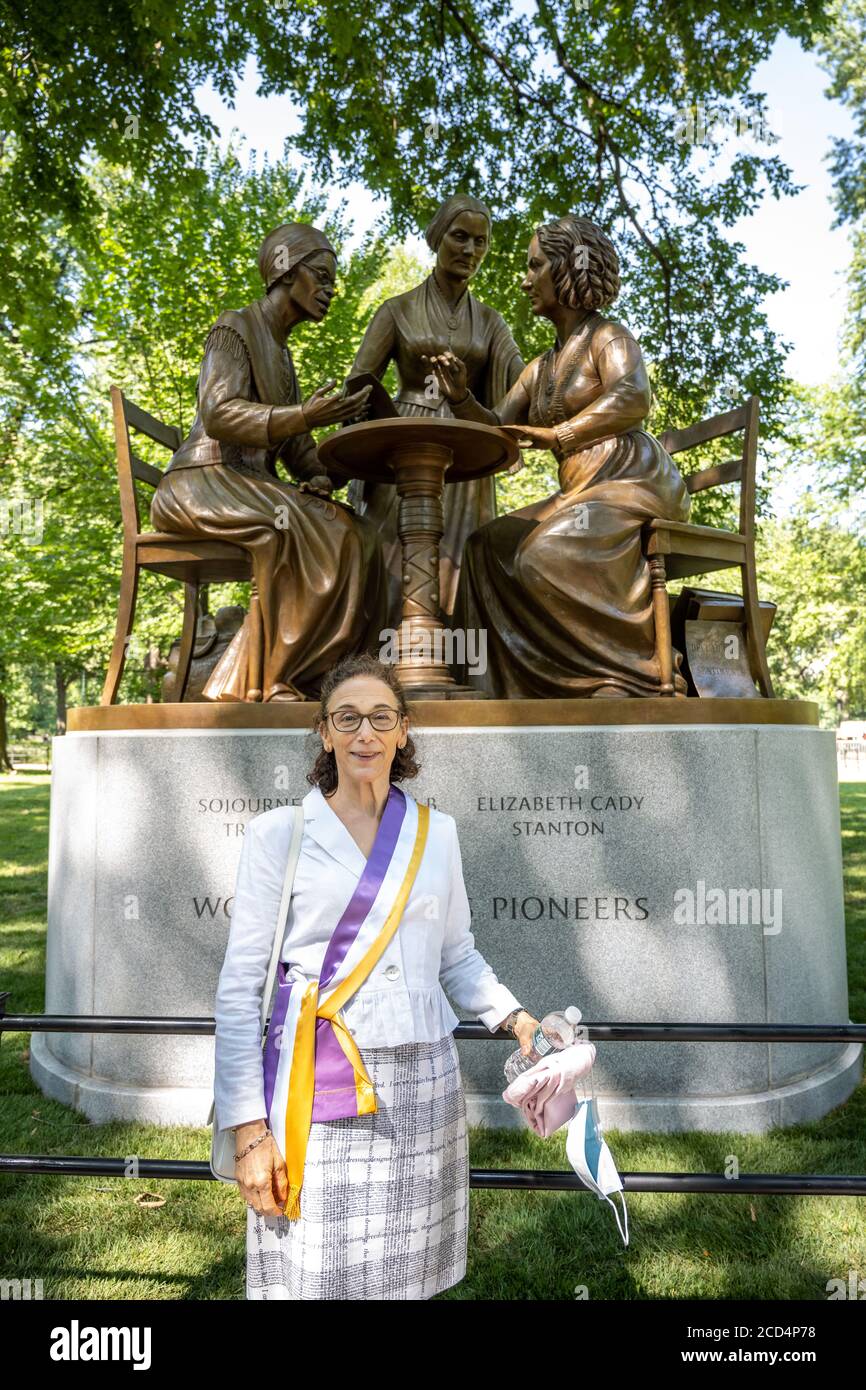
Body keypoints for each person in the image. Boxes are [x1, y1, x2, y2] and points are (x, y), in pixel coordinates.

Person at [213, 651, 540, 1300]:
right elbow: (238, 989)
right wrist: (249, 1132)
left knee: (408, 1275)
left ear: (404, 730)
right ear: (325, 732)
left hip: (425, 1079)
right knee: (319, 1271)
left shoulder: (435, 833)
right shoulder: (279, 834)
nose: (365, 733)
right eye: (348, 718)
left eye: (380, 717)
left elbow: (456, 955)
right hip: (321, 1076)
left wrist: (515, 1017)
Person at [426, 214, 692, 698]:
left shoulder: (609, 336)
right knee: (486, 548)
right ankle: (492, 690)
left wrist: (560, 435)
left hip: (631, 480)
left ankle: (630, 673)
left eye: (535, 266)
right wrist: (463, 397)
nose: (525, 280)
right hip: (581, 490)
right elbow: (498, 427)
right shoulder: (540, 366)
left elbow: (634, 397)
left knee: (542, 554)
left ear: (569, 268)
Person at [149, 222, 386, 702]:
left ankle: (323, 674)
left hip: (245, 484)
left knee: (359, 533)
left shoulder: (283, 357)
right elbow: (219, 414)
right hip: (201, 481)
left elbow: (296, 450)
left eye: (332, 281)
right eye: (320, 276)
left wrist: (326, 464)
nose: (330, 290)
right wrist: (304, 414)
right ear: (284, 270)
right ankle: (264, 678)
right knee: (293, 528)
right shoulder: (234, 327)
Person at [346, 193, 525, 625]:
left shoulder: (490, 321)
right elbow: (359, 382)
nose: (470, 250)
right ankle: (389, 659)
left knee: (462, 555)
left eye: (480, 242)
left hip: (466, 448)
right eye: (460, 237)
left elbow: (525, 382)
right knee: (393, 554)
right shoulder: (397, 309)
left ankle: (458, 668)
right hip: (405, 444)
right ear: (436, 238)